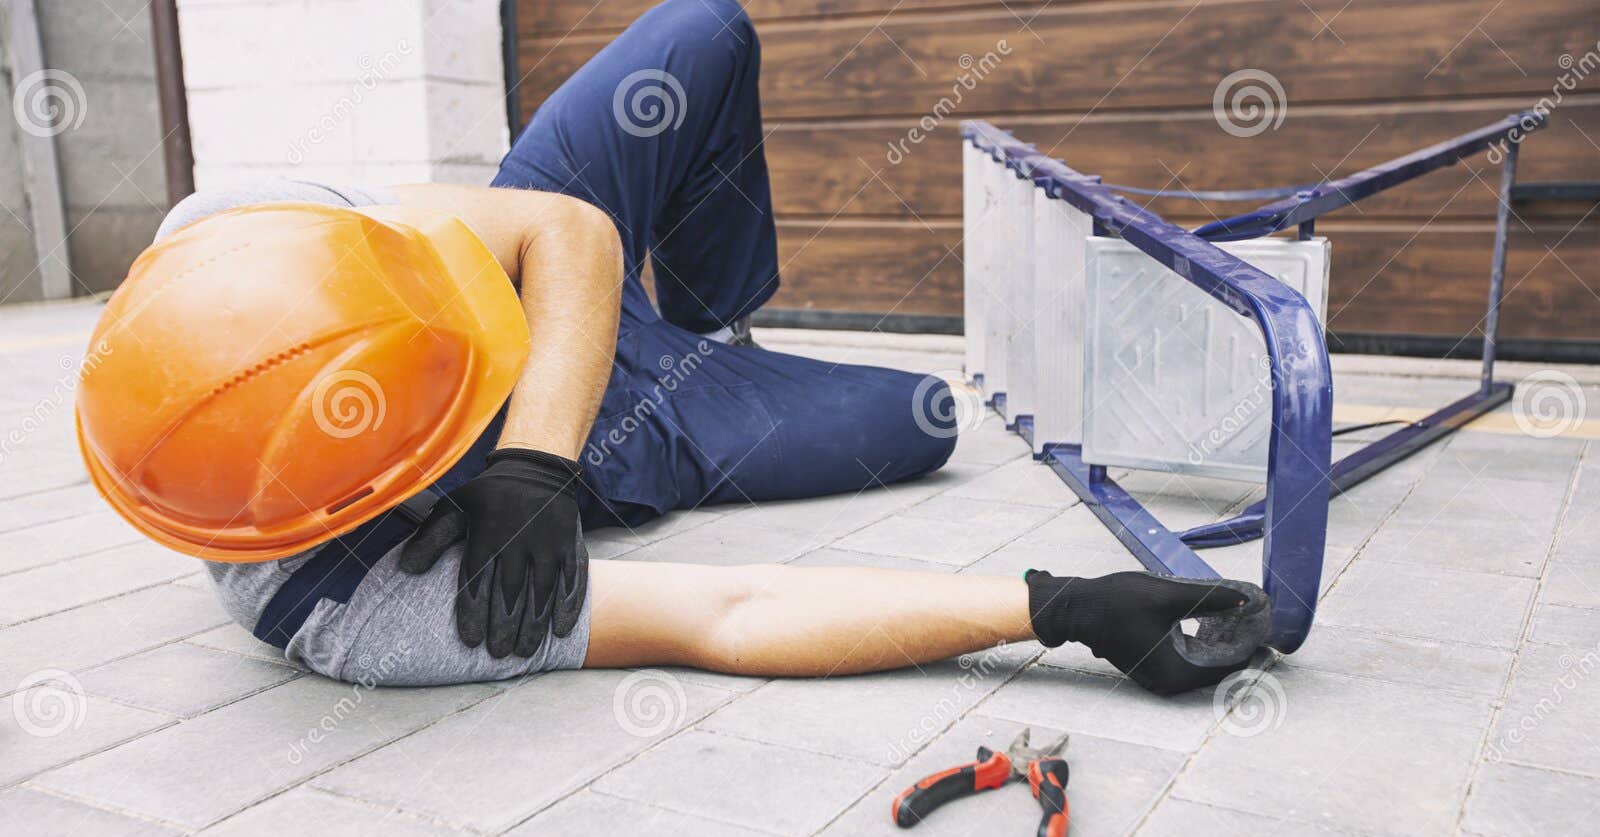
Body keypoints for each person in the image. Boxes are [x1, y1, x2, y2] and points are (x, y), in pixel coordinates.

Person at [73, 0, 1268, 695]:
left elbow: (565, 228)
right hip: (643, 432)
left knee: (703, 28)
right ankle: (706, 373)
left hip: (540, 279)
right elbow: (728, 611)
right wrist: (1054, 609)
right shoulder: (354, 613)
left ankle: (712, 316)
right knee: (921, 420)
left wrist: (525, 461)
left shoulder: (238, 231)